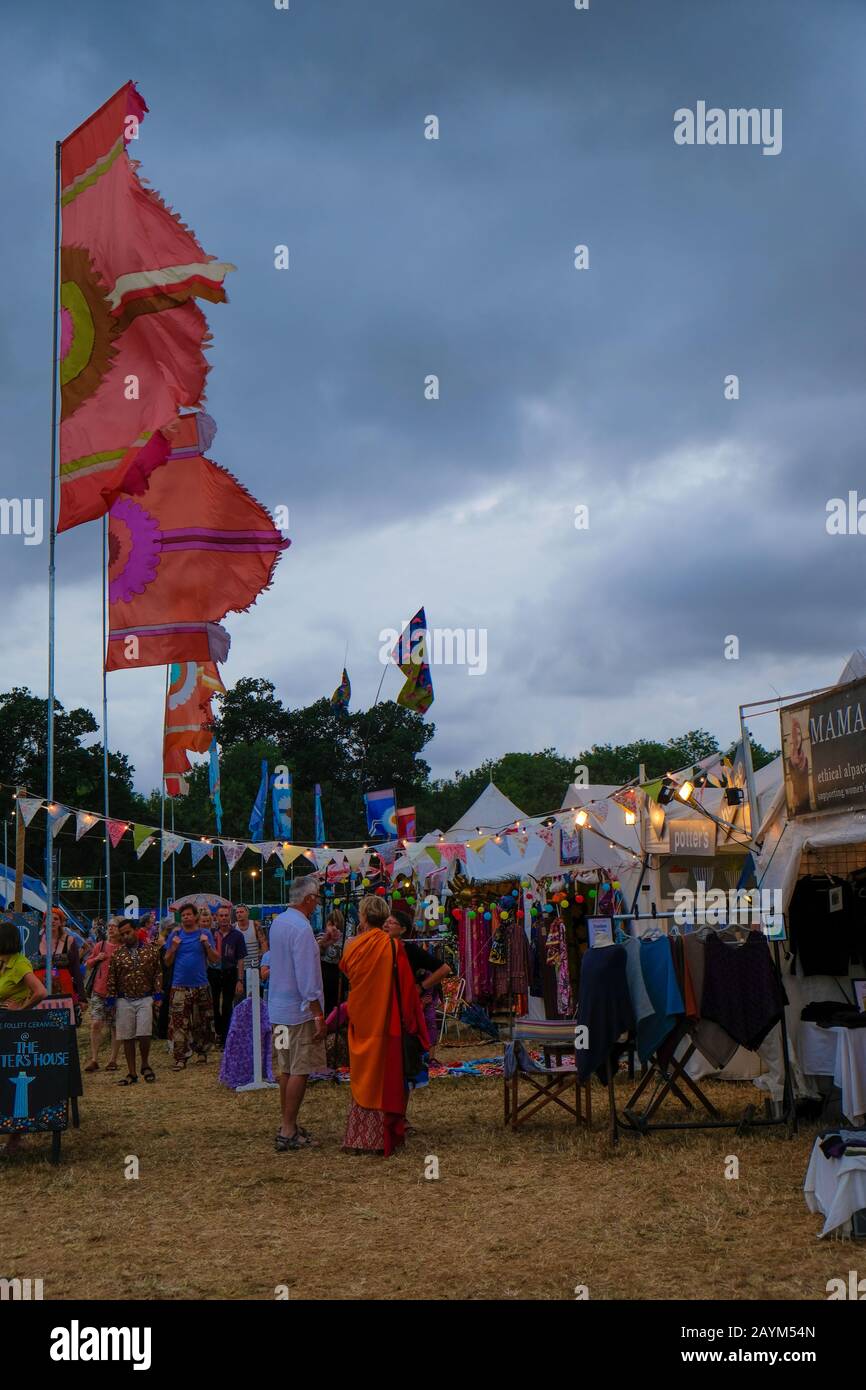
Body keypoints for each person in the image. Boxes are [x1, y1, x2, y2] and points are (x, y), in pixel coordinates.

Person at [339, 895, 429, 1157]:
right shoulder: (391, 946)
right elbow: (406, 989)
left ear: (363, 917)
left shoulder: (353, 945)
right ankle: (381, 1137)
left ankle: (359, 1137)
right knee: (384, 1078)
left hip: (362, 1019)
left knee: (364, 1075)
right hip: (386, 1021)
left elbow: (347, 970)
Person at [268, 875, 326, 1152]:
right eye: (316, 899)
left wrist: (322, 945)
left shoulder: (279, 922)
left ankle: (286, 1122)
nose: (317, 904)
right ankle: (288, 1129)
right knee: (299, 1070)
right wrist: (317, 1013)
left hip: (278, 1008)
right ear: (308, 899)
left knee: (286, 1069)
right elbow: (306, 976)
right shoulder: (302, 928)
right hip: (298, 1010)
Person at [385, 908, 452, 1063]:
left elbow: (444, 969)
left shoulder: (412, 951)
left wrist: (422, 986)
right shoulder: (379, 947)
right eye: (386, 922)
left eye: (391, 922)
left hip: (405, 1005)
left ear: (403, 929)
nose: (386, 925)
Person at [105, 918, 162, 1086]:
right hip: (124, 999)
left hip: (145, 997)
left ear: (136, 930)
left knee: (144, 1033)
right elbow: (112, 977)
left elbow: (158, 973)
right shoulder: (117, 954)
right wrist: (110, 1000)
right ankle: (132, 1072)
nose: (125, 936)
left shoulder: (151, 951)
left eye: (128, 932)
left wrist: (158, 995)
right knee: (127, 1036)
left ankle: (145, 1063)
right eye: (122, 934)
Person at [164, 904, 218, 1069]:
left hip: (201, 984)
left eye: (189, 914)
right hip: (179, 985)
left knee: (202, 1020)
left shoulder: (205, 934)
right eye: (183, 915)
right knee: (179, 1023)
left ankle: (202, 1052)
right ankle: (180, 1057)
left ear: (195, 917)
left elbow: (215, 959)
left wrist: (207, 945)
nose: (186, 917)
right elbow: (167, 961)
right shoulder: (175, 935)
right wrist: (173, 948)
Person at [84, 919, 122, 1073]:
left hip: (117, 993)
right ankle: (94, 1059)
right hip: (98, 991)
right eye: (109, 926)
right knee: (96, 1024)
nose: (111, 928)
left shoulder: (124, 947)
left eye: (114, 926)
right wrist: (96, 958)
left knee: (115, 1026)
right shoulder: (100, 945)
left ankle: (113, 1060)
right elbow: (87, 964)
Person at [208, 905, 247, 1045]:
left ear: (230, 917)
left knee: (227, 1005)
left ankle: (226, 1037)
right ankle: (218, 1032)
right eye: (221, 915)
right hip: (213, 972)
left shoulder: (237, 935)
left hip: (230, 972)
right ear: (216, 917)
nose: (224, 918)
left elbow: (241, 959)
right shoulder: (211, 934)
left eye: (226, 915)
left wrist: (240, 980)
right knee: (213, 1004)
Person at [37, 908, 85, 1020]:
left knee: (63, 1023)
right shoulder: (36, 940)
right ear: (44, 922)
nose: (52, 921)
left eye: (56, 919)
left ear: (61, 922)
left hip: (64, 989)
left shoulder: (69, 940)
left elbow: (76, 969)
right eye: (49, 918)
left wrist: (82, 997)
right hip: (40, 989)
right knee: (41, 1022)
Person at [0, 922, 47, 1010]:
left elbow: (41, 992)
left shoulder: (20, 964)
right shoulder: (3, 961)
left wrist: (21, 1009)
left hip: (9, 1017)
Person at [235, 903, 267, 980]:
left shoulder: (255, 925)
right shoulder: (234, 927)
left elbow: (263, 943)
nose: (239, 914)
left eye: (241, 912)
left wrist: (265, 963)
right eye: (237, 912)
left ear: (247, 913)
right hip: (238, 968)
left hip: (254, 966)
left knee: (255, 987)